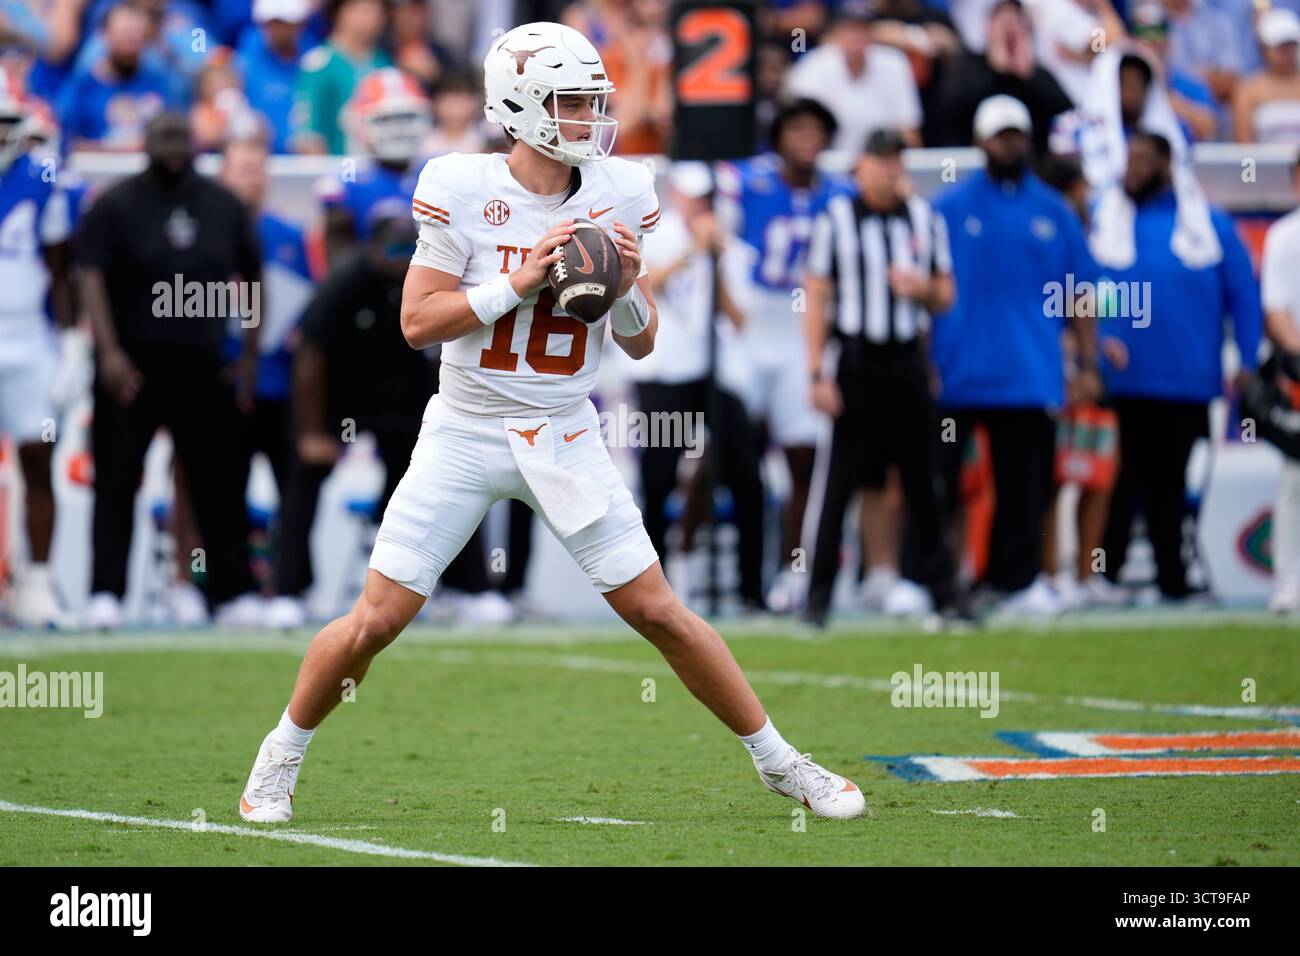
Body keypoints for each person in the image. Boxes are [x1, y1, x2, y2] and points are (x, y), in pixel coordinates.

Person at [237, 21, 867, 825]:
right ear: (520, 104)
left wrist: (629, 286)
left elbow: (641, 344)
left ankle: (782, 763)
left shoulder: (624, 189)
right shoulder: (463, 184)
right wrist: (521, 279)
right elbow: (418, 322)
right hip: (466, 426)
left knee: (660, 612)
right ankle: (279, 755)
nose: (586, 120)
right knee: (377, 621)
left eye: (591, 102)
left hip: (565, 430)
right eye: (570, 103)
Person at [77, 111, 263, 630]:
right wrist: (108, 352)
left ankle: (229, 590)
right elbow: (89, 276)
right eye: (163, 137)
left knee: (218, 482)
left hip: (203, 365)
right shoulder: (115, 204)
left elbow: (251, 277)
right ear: (145, 143)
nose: (173, 147)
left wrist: (247, 355)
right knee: (116, 478)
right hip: (130, 367)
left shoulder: (223, 205)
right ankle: (106, 592)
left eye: (181, 137)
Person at [931, 94, 1101, 615]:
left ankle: (1017, 581)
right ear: (981, 141)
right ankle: (937, 583)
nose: (1009, 143)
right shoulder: (947, 208)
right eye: (999, 135)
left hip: (1031, 372)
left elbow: (1081, 292)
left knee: (1025, 488)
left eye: (1016, 134)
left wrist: (1087, 365)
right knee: (937, 487)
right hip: (957, 371)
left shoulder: (1053, 209)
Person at [801, 129, 960, 627]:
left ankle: (945, 591)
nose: (889, 172)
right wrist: (816, 372)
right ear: (861, 168)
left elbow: (946, 293)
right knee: (841, 480)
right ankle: (818, 596)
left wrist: (923, 291)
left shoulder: (924, 218)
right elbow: (816, 295)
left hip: (906, 361)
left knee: (921, 479)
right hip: (857, 360)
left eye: (896, 162)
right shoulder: (836, 219)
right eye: (880, 162)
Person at [1095, 131, 1262, 602]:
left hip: (1189, 376)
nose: (1133, 168)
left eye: (1145, 159)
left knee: (1171, 479)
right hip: (1127, 379)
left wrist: (1247, 359)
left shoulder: (1207, 225)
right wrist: (1106, 337)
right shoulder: (1109, 221)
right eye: (1129, 158)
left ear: (1168, 165)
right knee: (1123, 475)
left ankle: (1172, 575)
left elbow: (1243, 297)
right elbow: (1095, 285)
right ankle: (1105, 572)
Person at [714, 99, 850, 613]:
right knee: (720, 453)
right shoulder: (745, 180)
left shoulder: (841, 194)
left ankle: (795, 574)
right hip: (749, 323)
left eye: (817, 129)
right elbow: (719, 246)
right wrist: (731, 312)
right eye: (797, 128)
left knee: (804, 458)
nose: (807, 138)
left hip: (801, 332)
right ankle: (678, 563)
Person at [629, 162, 766, 612]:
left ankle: (751, 589)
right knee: (658, 478)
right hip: (665, 373)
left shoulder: (733, 247)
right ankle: (655, 592)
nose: (699, 208)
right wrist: (691, 253)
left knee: (745, 475)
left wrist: (718, 262)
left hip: (716, 372)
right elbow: (646, 291)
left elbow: (740, 319)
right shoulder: (655, 237)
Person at [0, 77, 75, 628]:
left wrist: (72, 342)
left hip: (29, 338)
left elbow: (59, 268)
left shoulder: (42, 179)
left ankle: (39, 581)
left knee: (37, 457)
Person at [318, 66, 431, 264]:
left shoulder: (438, 173)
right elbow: (339, 267)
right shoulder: (347, 181)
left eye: (406, 118)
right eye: (386, 119)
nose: (398, 129)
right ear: (359, 122)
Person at [933, 0, 1074, 154]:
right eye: (1003, 22)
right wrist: (997, 69)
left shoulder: (1036, 73)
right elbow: (949, 111)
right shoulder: (969, 67)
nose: (1009, 29)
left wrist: (1028, 75)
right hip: (976, 159)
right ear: (989, 27)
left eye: (1015, 22)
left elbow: (1065, 115)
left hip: (1030, 162)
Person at [783, 6, 923, 154]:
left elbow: (909, 131)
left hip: (881, 160)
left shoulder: (893, 62)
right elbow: (801, 131)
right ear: (837, 33)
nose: (856, 38)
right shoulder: (813, 65)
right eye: (849, 30)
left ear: (871, 33)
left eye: (861, 30)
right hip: (827, 162)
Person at [1258, 152, 1300, 612]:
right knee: (1295, 477)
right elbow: (1277, 310)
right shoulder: (1286, 236)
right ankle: (1289, 581)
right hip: (1298, 369)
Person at [57, 2, 171, 151]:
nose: (130, 43)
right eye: (124, 33)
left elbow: (170, 137)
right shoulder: (83, 86)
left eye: (137, 35)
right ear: (105, 35)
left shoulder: (157, 81)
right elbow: (66, 141)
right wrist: (114, 149)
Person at [290, 0, 390, 154]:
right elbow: (307, 128)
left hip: (377, 166)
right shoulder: (320, 63)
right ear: (340, 12)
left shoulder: (384, 63)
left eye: (377, 11)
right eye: (363, 10)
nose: (371, 18)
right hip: (337, 166)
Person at [235, 0, 312, 154]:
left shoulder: (315, 59)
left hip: (304, 164)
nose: (278, 30)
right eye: (272, 23)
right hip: (259, 156)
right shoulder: (244, 61)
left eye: (285, 23)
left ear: (300, 24)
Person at [1232, 8, 1300, 145]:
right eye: (1281, 47)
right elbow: (1244, 144)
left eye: (1291, 45)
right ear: (1264, 48)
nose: (1287, 52)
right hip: (1264, 165)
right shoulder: (1249, 89)